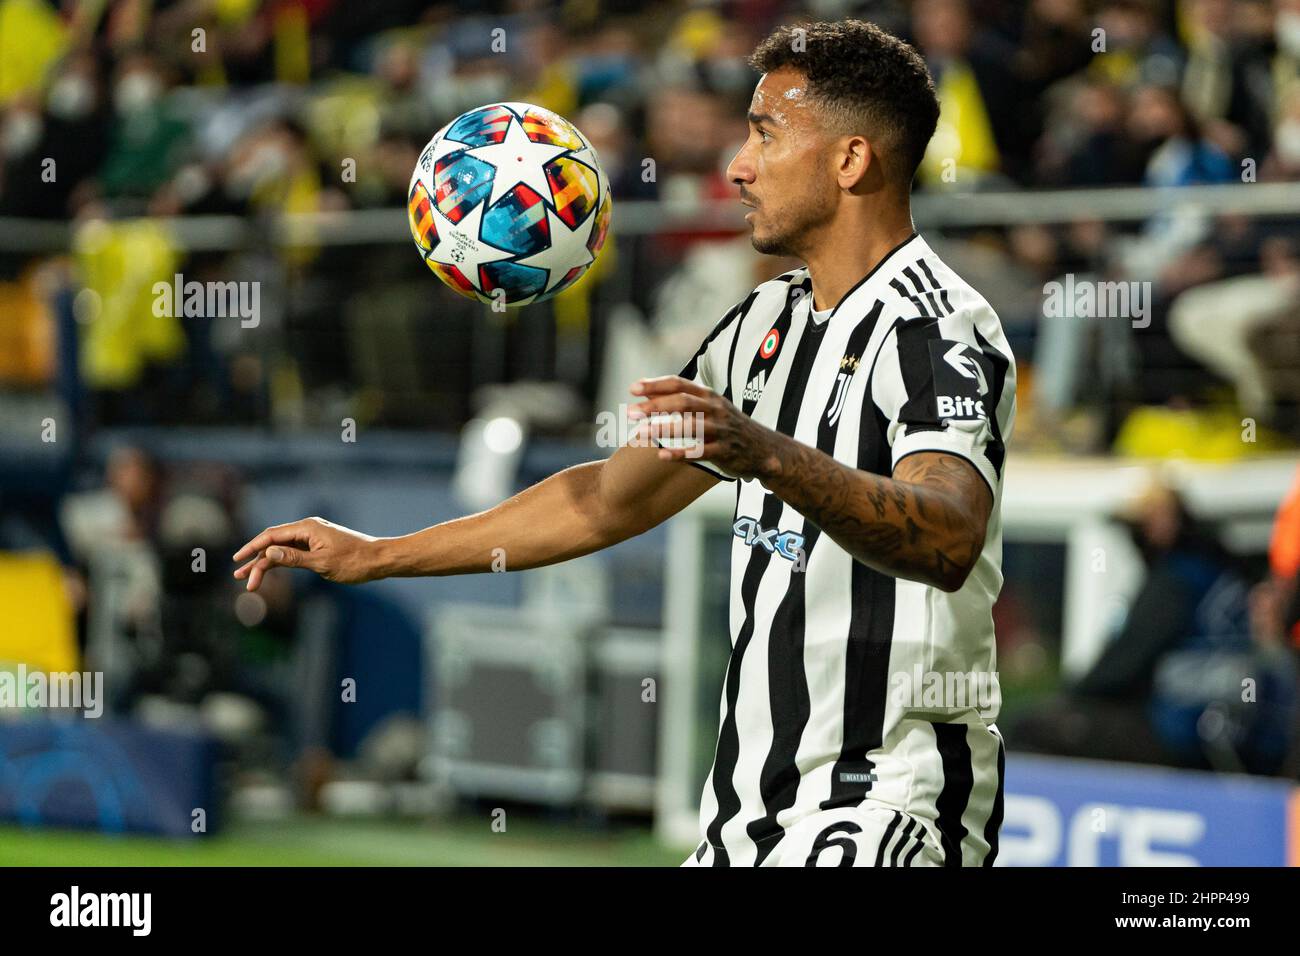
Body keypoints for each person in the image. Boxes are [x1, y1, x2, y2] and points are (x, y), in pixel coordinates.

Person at [232, 19, 1017, 867]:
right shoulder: (763, 324)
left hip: (884, 807)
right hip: (751, 821)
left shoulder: (936, 327)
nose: (737, 166)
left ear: (851, 160)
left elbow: (947, 536)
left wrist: (766, 455)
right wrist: (377, 555)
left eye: (765, 133)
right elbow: (608, 500)